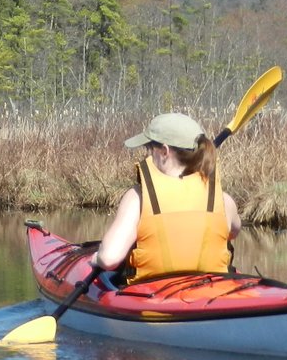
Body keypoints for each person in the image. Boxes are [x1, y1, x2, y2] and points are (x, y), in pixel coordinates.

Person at [91, 111, 241, 283]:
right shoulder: (223, 200)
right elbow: (234, 231)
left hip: (154, 303)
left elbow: (109, 258)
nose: (147, 155)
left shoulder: (137, 198)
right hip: (212, 298)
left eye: (149, 148)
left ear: (164, 151)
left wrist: (95, 259)